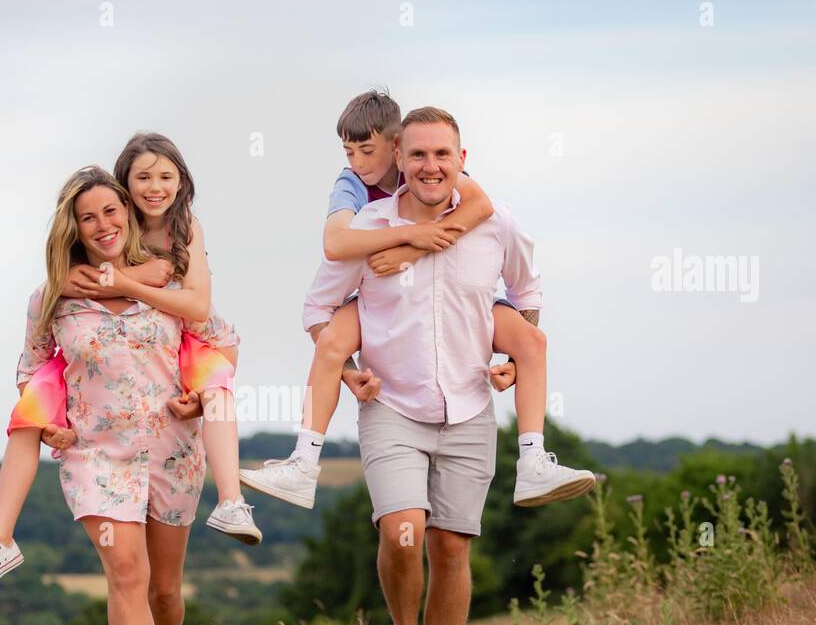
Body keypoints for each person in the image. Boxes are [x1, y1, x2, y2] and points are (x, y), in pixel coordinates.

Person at [302, 107, 573, 625]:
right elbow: (318, 308)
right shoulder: (370, 224)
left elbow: (527, 298)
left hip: (470, 407)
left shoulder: (496, 223)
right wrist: (346, 371)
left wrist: (512, 354)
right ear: (401, 158)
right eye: (419, 155)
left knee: (451, 548)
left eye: (442, 155)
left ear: (461, 159)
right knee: (402, 532)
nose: (430, 166)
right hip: (392, 405)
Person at [240, 88, 593, 510]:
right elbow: (335, 244)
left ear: (392, 148)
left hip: (458, 297)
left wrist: (413, 249)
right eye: (348, 151)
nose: (356, 162)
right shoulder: (353, 184)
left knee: (533, 342)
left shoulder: (447, 175)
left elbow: (479, 208)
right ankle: (303, 462)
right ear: (402, 153)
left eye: (365, 150)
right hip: (377, 293)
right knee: (333, 340)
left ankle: (534, 460)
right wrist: (408, 235)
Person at [0, 134, 260, 594]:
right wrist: (47, 420)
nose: (154, 188)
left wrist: (129, 282)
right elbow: (35, 356)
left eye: (165, 177)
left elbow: (204, 314)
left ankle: (232, 499)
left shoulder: (182, 232)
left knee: (165, 590)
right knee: (27, 415)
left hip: (181, 356)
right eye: (142, 178)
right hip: (91, 417)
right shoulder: (63, 286)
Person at [0, 165, 210, 625]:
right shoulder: (53, 296)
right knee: (125, 571)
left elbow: (217, 341)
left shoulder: (166, 279)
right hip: (95, 454)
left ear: (130, 215)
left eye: (111, 211)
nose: (102, 224)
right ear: (73, 228)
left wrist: (200, 397)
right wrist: (47, 423)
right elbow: (32, 365)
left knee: (164, 590)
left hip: (173, 449)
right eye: (87, 217)